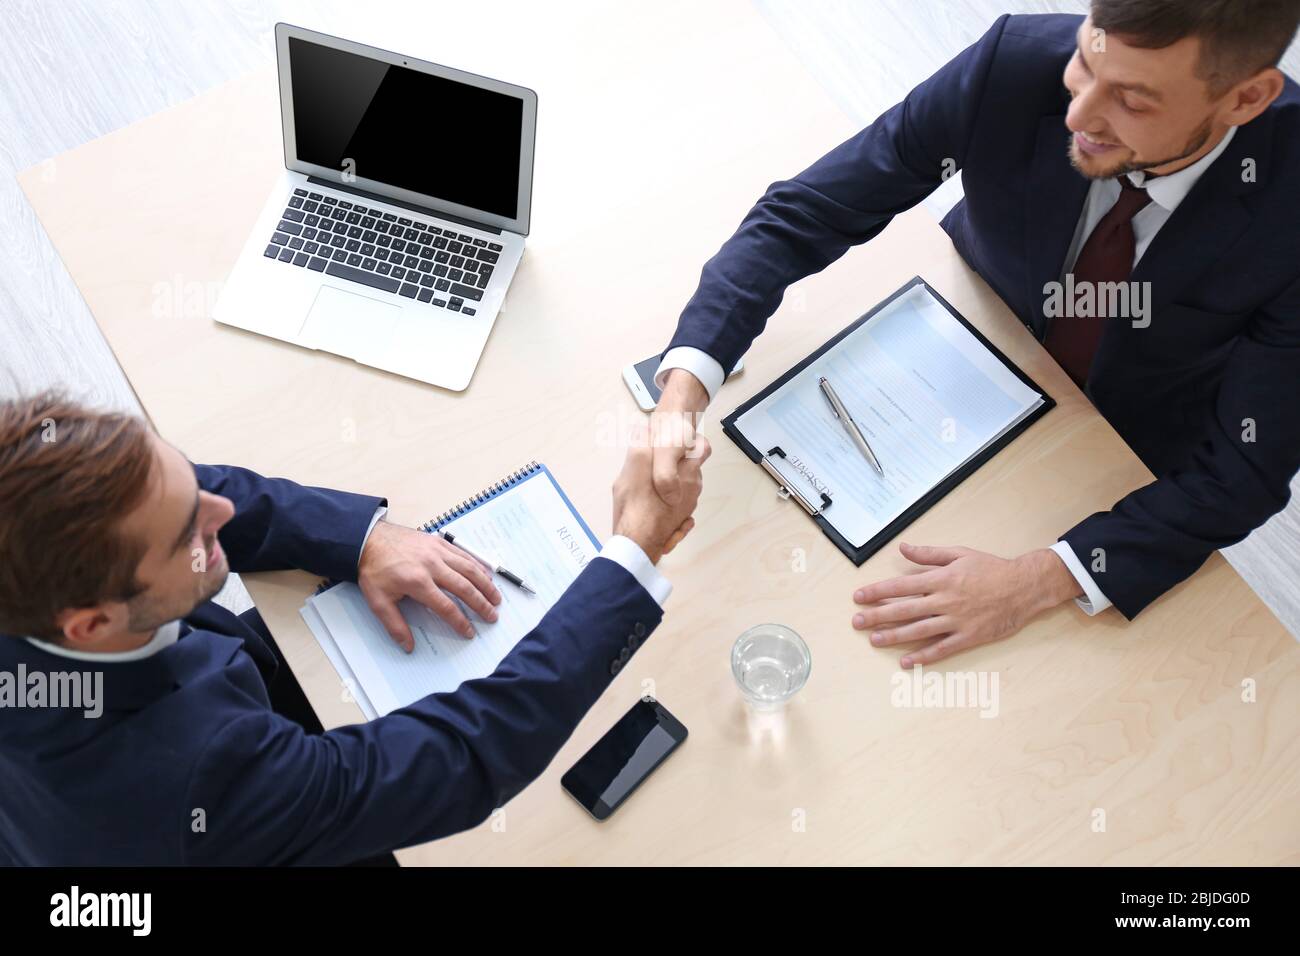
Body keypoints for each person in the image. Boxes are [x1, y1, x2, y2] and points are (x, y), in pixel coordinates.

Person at [648, 0, 1300, 667]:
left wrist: (1037, 580)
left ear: (1246, 98)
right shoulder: (1014, 63)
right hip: (967, 333)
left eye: (1132, 101)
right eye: (1085, 61)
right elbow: (804, 213)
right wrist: (680, 398)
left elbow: (1244, 471)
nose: (1077, 118)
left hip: (1117, 444)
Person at [0, 392, 709, 865]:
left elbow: (201, 495)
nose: (220, 510)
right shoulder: (197, 774)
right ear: (92, 624)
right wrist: (631, 554)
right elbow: (461, 758)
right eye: (191, 533)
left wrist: (361, 538)